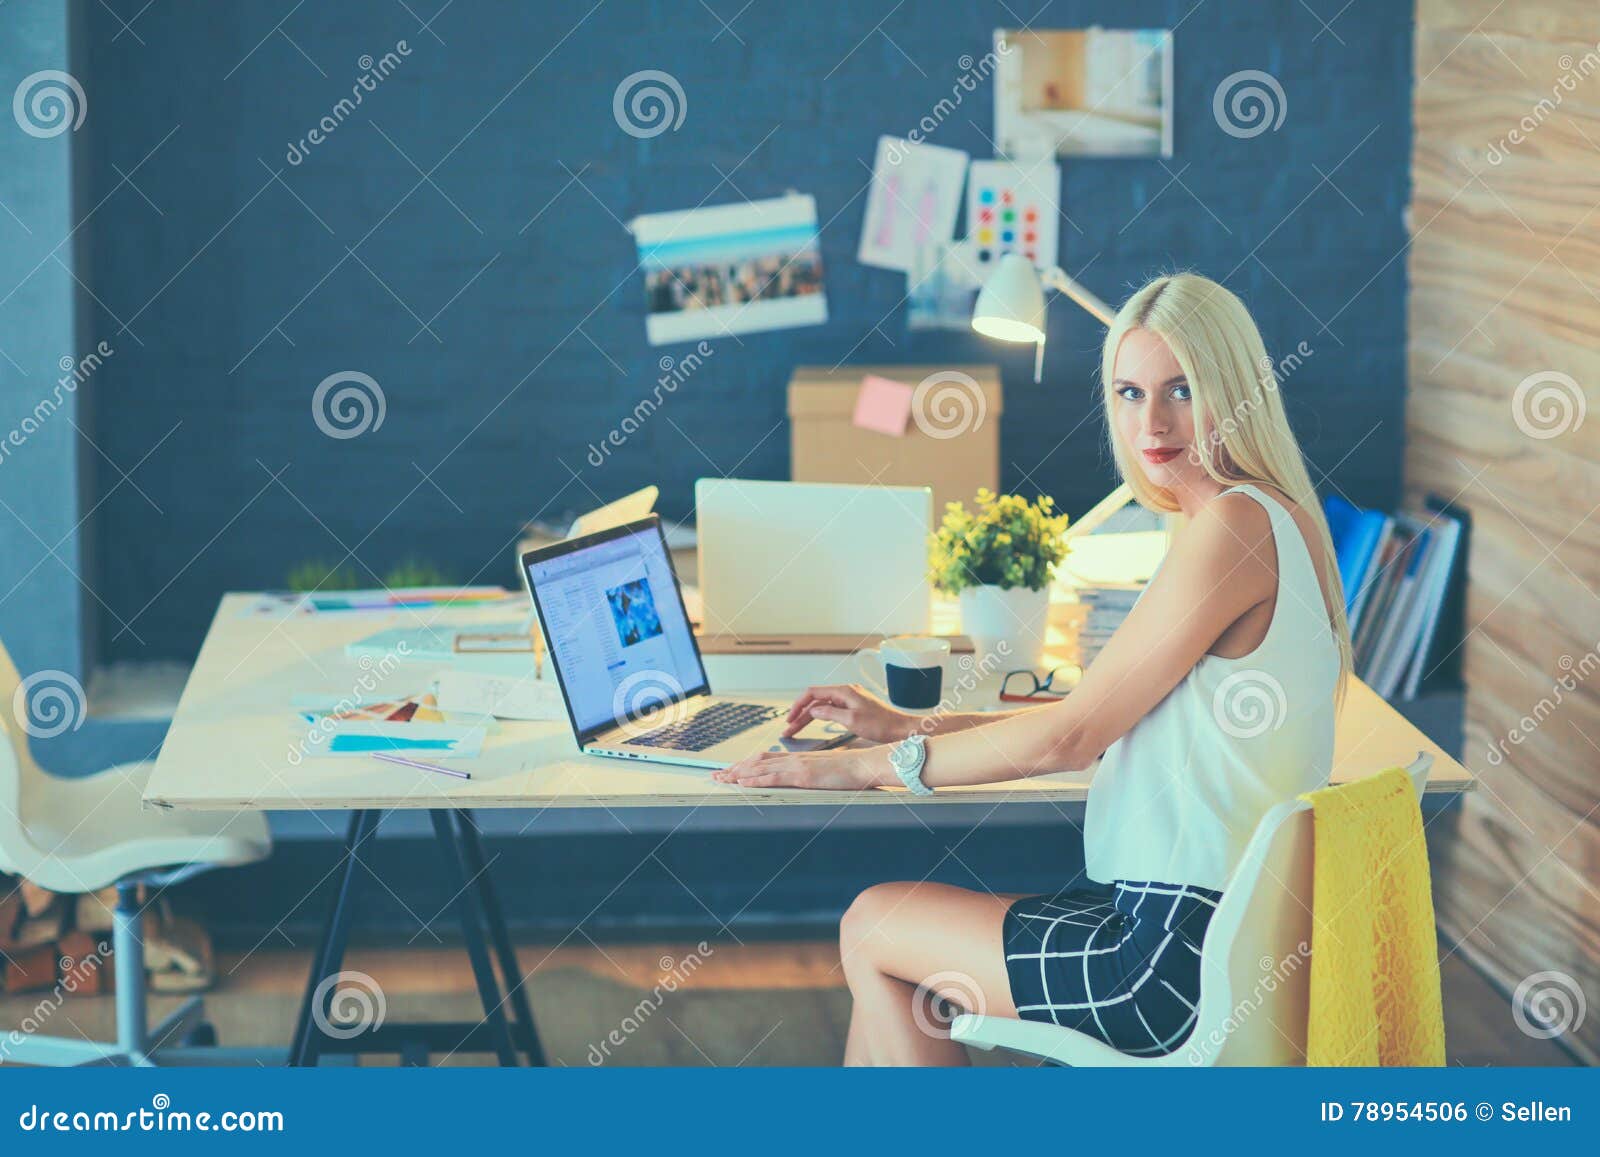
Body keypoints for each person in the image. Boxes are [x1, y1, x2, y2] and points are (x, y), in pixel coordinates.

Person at [713, 272, 1353, 1065]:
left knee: (874, 924)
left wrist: (862, 768)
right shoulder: (1273, 517)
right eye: (1129, 391)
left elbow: (1071, 737)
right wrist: (908, 725)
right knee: (902, 956)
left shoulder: (1233, 526)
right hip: (1209, 938)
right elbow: (1091, 711)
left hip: (1166, 960)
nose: (1150, 421)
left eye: (1182, 390)